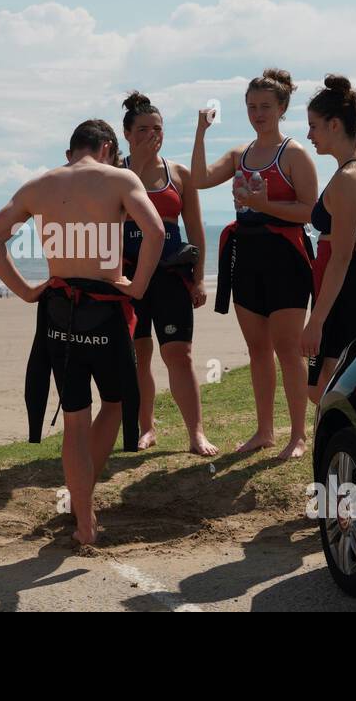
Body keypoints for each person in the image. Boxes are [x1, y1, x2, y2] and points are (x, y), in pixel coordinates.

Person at [0, 119, 163, 545]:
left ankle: (84, 521)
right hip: (104, 311)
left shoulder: (38, 186)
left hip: (59, 315)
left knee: (76, 421)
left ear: (72, 148)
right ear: (107, 148)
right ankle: (85, 499)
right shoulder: (119, 178)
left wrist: (26, 291)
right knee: (115, 404)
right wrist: (137, 288)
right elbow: (154, 231)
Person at [191, 69, 319, 459]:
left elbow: (310, 211)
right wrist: (200, 132)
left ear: (282, 108)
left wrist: (263, 205)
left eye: (265, 106)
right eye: (251, 106)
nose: (258, 113)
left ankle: (298, 434)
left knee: (288, 348)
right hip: (247, 257)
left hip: (286, 258)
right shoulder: (239, 155)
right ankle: (264, 431)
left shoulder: (294, 154)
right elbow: (197, 179)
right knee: (257, 350)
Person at [117, 92, 217, 456]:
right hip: (129, 276)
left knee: (180, 354)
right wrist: (137, 168)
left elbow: (196, 228)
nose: (151, 135)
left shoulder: (179, 174)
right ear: (127, 133)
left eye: (157, 129)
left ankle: (196, 434)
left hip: (171, 275)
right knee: (139, 354)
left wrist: (201, 278)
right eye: (142, 129)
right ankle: (147, 428)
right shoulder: (115, 171)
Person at [302, 76, 356, 401]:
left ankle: (345, 449)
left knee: (329, 389)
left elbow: (341, 257)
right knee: (329, 386)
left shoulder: (349, 179)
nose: (309, 135)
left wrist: (316, 321)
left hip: (345, 289)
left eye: (313, 126)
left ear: (334, 124)